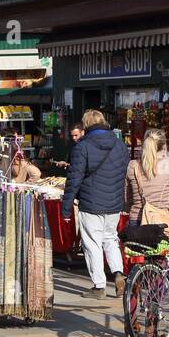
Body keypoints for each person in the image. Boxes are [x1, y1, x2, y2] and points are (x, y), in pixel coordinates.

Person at [61, 109, 130, 299]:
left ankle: (99, 286)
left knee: (92, 244)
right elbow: (123, 174)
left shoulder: (82, 147)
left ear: (86, 126)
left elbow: (74, 180)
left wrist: (66, 208)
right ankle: (118, 274)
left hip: (91, 202)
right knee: (110, 239)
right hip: (114, 202)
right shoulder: (120, 146)